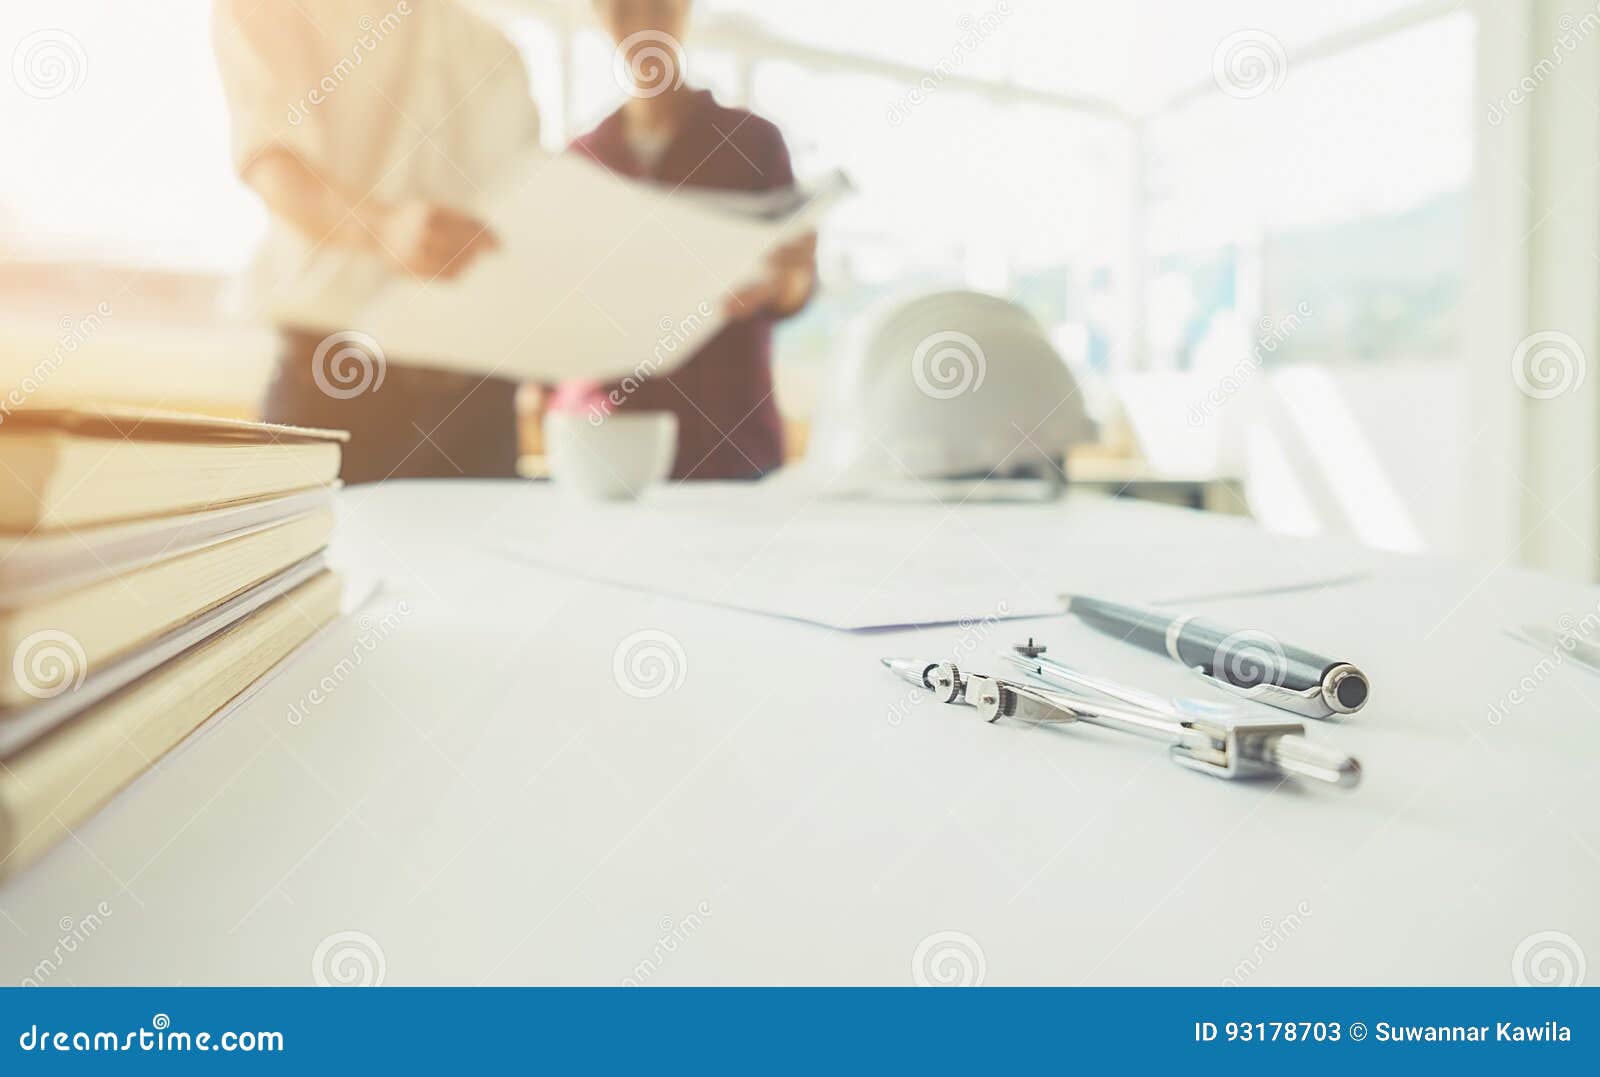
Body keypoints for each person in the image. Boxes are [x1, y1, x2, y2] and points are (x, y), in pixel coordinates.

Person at [213, 0, 541, 482]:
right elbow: (270, 162)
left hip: (479, 398)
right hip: (334, 386)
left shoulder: (501, 51)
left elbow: (521, 207)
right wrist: (382, 228)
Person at [564, 0, 818, 481]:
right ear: (600, 17)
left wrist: (788, 278)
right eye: (623, 12)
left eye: (658, 8)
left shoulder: (754, 142)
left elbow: (794, 290)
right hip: (607, 443)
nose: (643, 27)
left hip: (730, 442)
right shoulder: (580, 162)